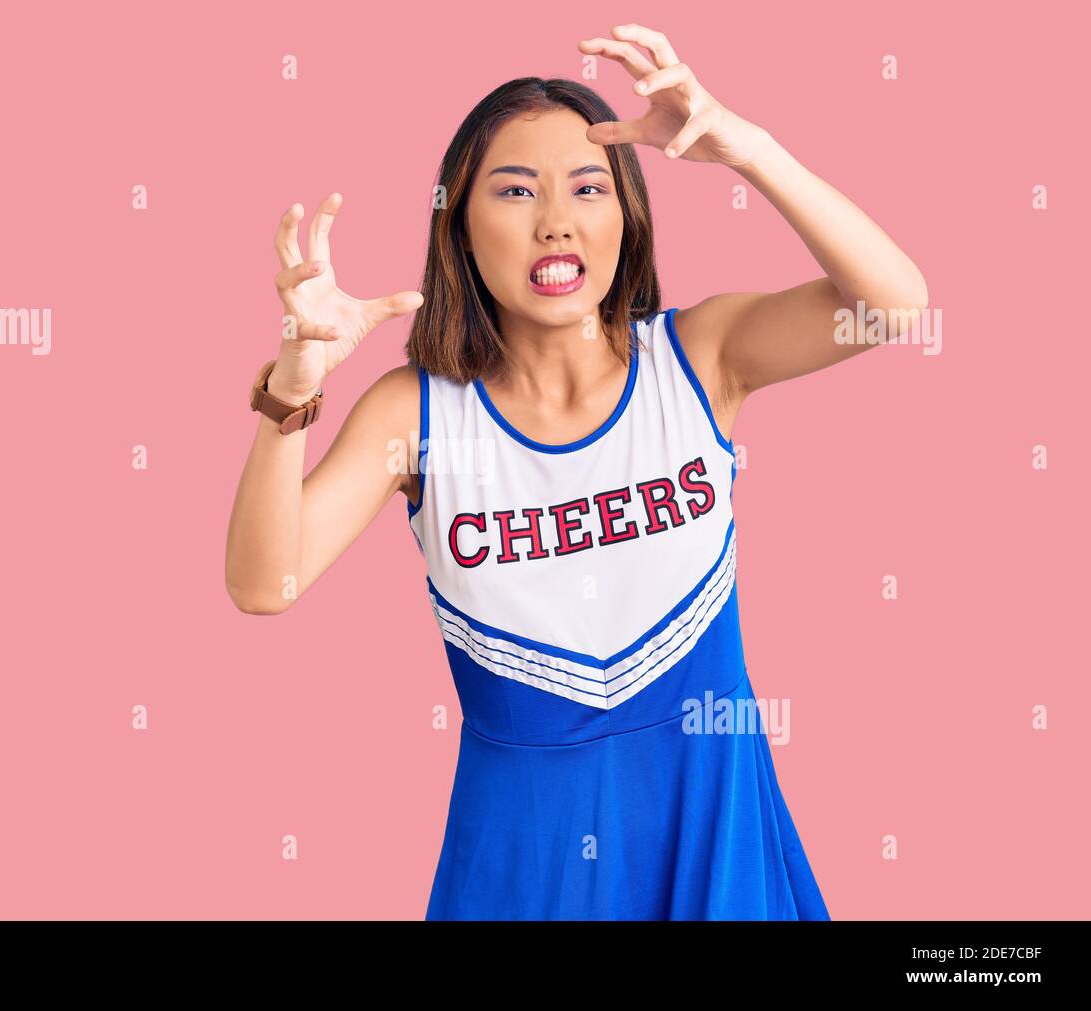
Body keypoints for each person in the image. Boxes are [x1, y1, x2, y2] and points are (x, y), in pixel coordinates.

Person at [226, 23, 927, 920]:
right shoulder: (420, 410)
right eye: (515, 191)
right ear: (460, 228)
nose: (556, 219)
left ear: (627, 211)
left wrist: (745, 148)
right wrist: (291, 392)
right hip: (523, 855)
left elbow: (893, 306)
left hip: (711, 820)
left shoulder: (700, 356)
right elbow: (263, 583)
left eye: (587, 187)